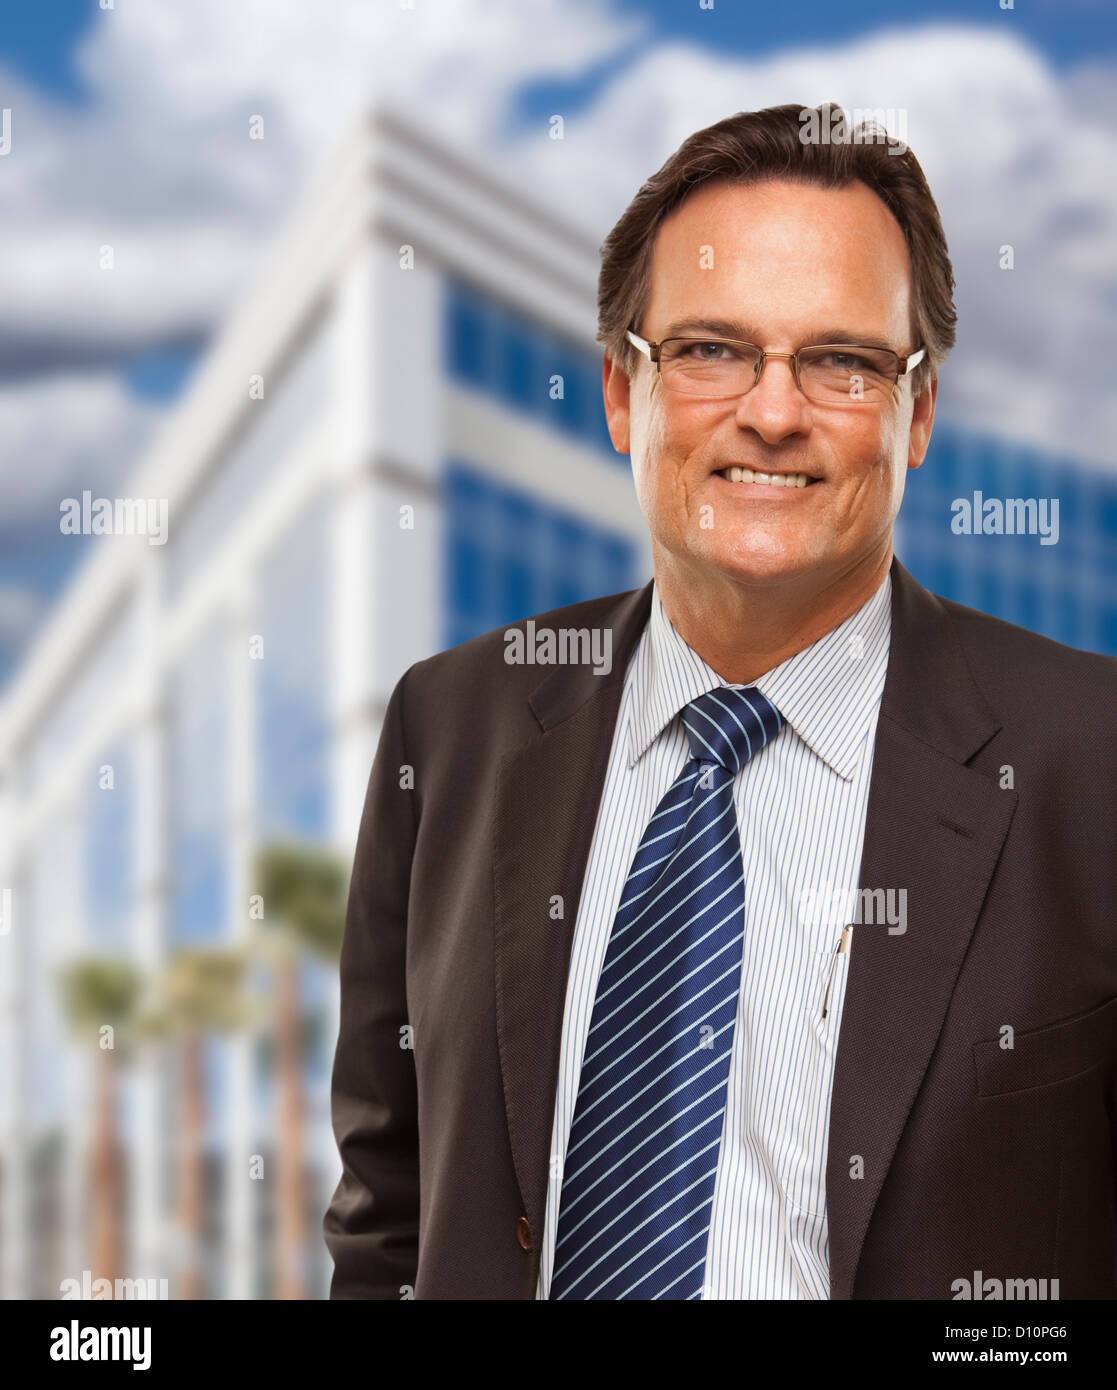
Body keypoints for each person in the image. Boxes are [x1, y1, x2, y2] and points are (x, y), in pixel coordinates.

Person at [323, 102, 1117, 1300]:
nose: (773, 412)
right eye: (709, 351)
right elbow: (386, 1215)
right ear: (620, 395)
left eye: (841, 360)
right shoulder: (452, 725)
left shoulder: (1087, 760)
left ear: (918, 414)